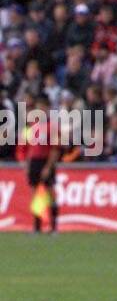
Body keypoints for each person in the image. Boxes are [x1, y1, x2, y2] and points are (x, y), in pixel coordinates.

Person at [17, 98, 61, 233]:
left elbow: (55, 149)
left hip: (46, 161)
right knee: (35, 194)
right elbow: (22, 149)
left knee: (50, 193)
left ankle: (54, 227)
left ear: (47, 109)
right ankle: (37, 227)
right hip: (34, 163)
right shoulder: (30, 127)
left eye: (43, 108)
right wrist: (25, 165)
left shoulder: (52, 127)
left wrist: (48, 166)